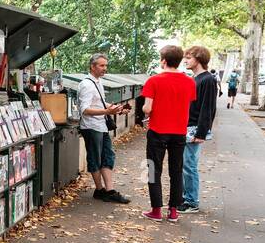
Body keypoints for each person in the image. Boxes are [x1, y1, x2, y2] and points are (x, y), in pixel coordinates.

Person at [135, 44, 195, 222]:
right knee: (176, 170)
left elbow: (147, 108)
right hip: (179, 132)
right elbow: (187, 104)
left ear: (163, 61)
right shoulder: (189, 82)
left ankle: (156, 210)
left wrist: (149, 110)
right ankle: (174, 210)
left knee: (154, 169)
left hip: (158, 131)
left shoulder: (154, 81)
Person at [77, 53, 131, 204]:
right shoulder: (86, 85)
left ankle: (109, 190)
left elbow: (100, 103)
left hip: (100, 125)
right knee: (95, 158)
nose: (104, 68)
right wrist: (108, 112)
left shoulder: (97, 82)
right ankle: (100, 190)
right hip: (91, 126)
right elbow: (85, 110)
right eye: (101, 65)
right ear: (92, 66)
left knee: (108, 156)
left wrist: (117, 109)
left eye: (105, 65)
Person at [181, 45, 217, 213]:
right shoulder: (196, 79)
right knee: (185, 164)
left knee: (189, 165)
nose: (185, 60)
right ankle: (185, 197)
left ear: (199, 58)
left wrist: (201, 132)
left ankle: (191, 201)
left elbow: (207, 107)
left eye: (188, 57)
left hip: (195, 128)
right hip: (189, 126)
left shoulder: (207, 79)